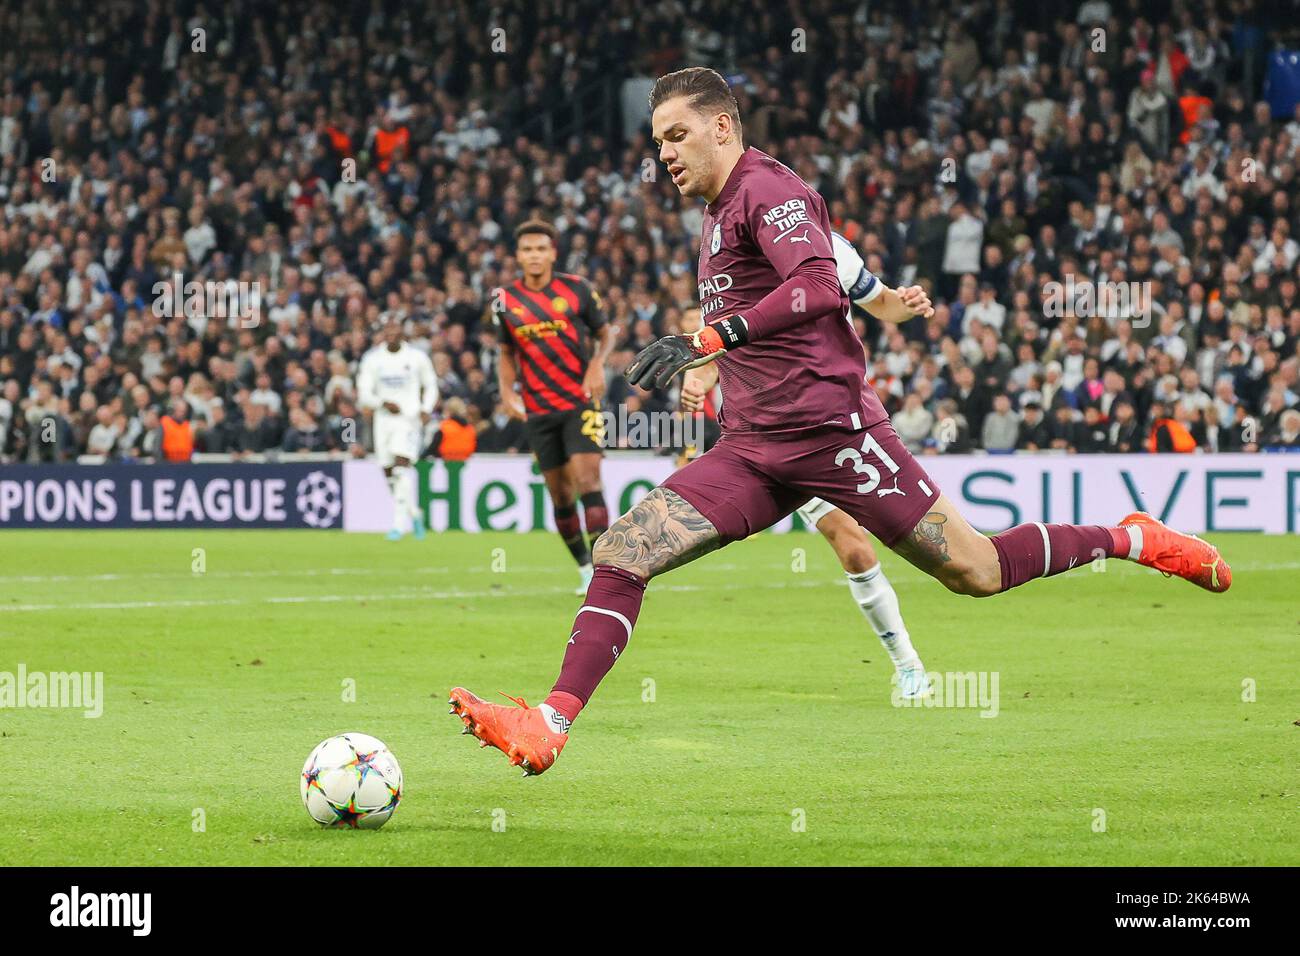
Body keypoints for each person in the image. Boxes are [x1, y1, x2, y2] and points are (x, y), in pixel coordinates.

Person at [449, 67, 1232, 776]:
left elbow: (821, 284)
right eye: (658, 143)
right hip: (752, 450)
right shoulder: (718, 214)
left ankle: (1135, 538)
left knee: (979, 571)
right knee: (624, 548)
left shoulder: (769, 192)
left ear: (723, 125)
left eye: (677, 135)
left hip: (836, 438)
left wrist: (713, 337)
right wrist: (714, 361)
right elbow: (775, 309)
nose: (666, 155)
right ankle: (549, 723)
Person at [679, 229, 937, 699]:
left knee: (893, 549)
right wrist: (701, 374)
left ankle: (907, 662)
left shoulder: (828, 246)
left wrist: (906, 302)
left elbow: (882, 305)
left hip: (830, 423)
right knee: (849, 544)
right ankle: (909, 664)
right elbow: (737, 338)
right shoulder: (734, 253)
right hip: (768, 433)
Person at [493, 219, 616, 594]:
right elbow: (505, 350)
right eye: (527, 249)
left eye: (541, 249)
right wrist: (506, 393)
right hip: (538, 409)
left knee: (587, 481)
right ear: (518, 255)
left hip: (580, 402)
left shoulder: (577, 290)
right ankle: (583, 567)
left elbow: (606, 334)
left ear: (552, 253)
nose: (534, 255)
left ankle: (606, 569)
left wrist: (597, 365)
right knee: (560, 495)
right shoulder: (504, 299)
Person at [357, 316, 437, 540]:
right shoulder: (373, 359)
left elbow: (430, 384)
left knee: (402, 466)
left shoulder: (417, 357)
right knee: (389, 472)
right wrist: (381, 403)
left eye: (396, 328)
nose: (391, 333)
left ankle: (398, 526)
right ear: (383, 332)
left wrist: (425, 408)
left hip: (408, 419)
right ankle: (414, 513)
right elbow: (364, 392)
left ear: (402, 331)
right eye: (388, 329)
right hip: (383, 421)